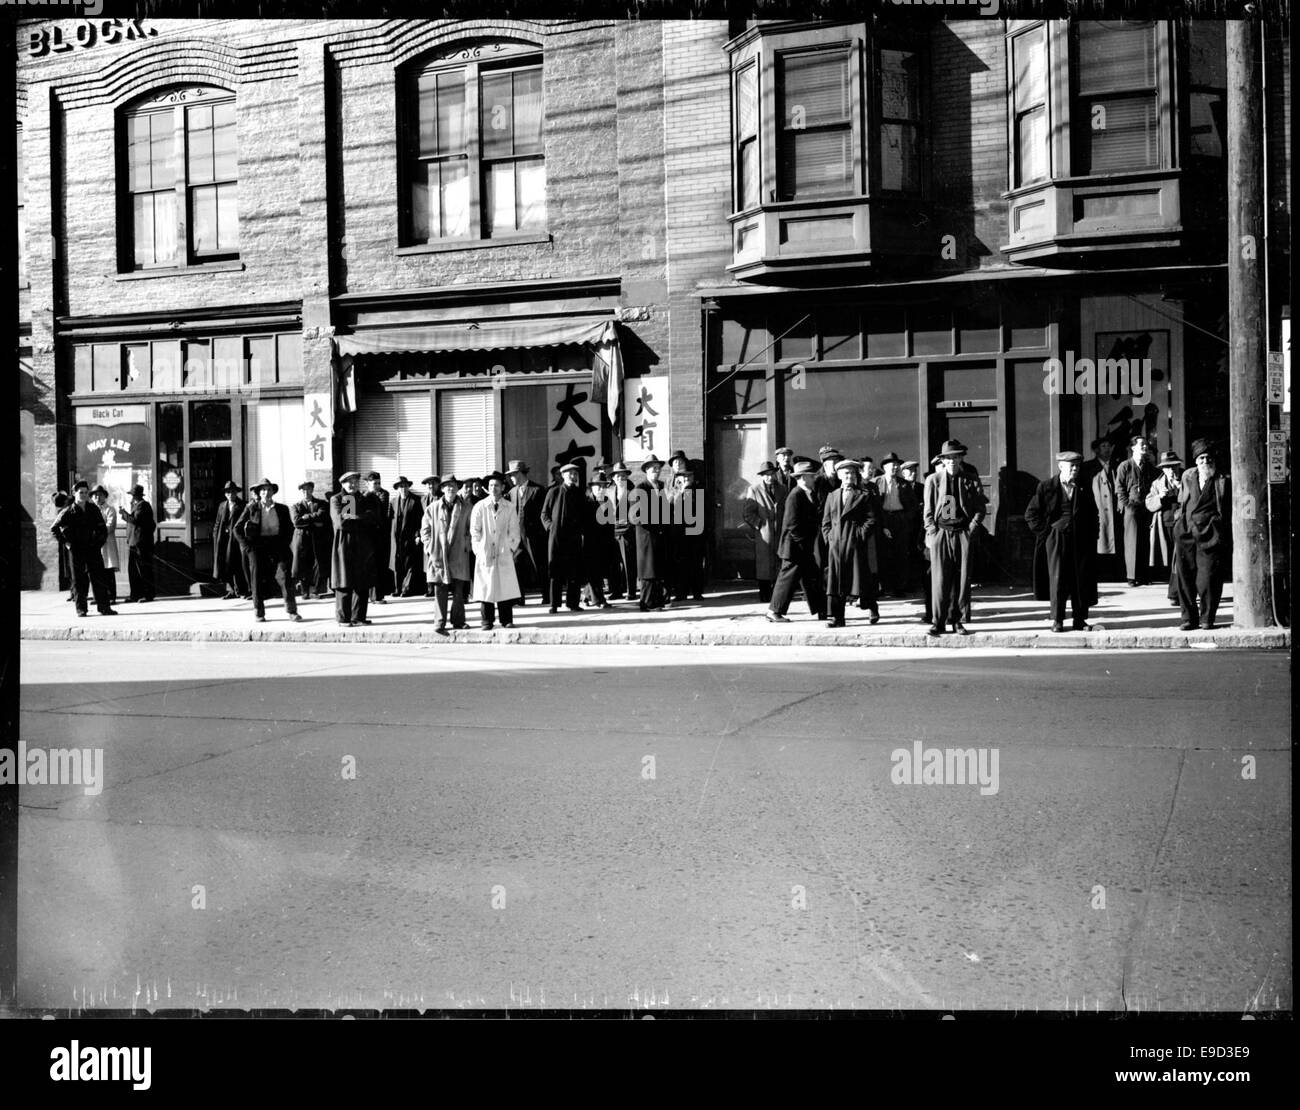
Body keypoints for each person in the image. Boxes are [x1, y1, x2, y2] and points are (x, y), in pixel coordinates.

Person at [1025, 451, 1099, 632]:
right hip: (1057, 540)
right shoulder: (1046, 487)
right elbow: (1031, 514)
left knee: (1080, 580)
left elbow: (1093, 514)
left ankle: (1079, 620)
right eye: (1071, 466)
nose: (1075, 469)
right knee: (1058, 579)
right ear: (1060, 466)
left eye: (1077, 466)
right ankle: (1057, 620)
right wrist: (1047, 534)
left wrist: (1092, 536)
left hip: (1080, 541)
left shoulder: (1083, 486)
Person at [923, 440, 987, 636]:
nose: (952, 461)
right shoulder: (933, 480)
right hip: (941, 533)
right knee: (940, 580)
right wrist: (933, 533)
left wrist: (970, 529)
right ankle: (938, 622)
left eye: (955, 457)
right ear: (943, 460)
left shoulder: (970, 479)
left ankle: (957, 620)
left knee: (961, 580)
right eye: (948, 458)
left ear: (961, 459)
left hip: (962, 534)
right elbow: (928, 511)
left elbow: (980, 509)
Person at [1173, 439, 1231, 631]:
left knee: (1208, 579)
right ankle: (1188, 618)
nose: (1205, 462)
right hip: (1186, 533)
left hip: (1210, 534)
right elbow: (1182, 501)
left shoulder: (1223, 479)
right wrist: (1178, 523)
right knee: (1185, 578)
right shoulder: (1188, 476)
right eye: (1201, 458)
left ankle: (1207, 618)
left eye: (1208, 458)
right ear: (1196, 461)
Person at [234, 479, 303, 623]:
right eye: (263, 490)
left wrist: (284, 543)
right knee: (257, 578)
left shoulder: (282, 509)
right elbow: (237, 528)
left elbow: (290, 528)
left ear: (273, 492)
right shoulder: (252, 508)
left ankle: (292, 611)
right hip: (258, 546)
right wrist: (248, 547)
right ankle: (259, 611)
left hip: (278, 545)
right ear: (259, 493)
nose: (266, 492)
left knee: (285, 576)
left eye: (269, 489)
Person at [766, 461, 826, 623]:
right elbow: (792, 524)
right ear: (803, 477)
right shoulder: (795, 495)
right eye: (811, 476)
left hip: (802, 546)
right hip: (793, 547)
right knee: (787, 579)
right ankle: (774, 611)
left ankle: (822, 610)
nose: (814, 478)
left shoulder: (809, 493)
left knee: (811, 577)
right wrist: (804, 544)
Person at [821, 458, 878, 628]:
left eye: (852, 473)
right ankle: (836, 617)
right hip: (836, 545)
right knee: (835, 581)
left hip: (854, 544)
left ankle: (872, 607)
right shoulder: (832, 496)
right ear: (839, 475)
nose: (849, 477)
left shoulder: (863, 496)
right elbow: (826, 521)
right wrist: (829, 537)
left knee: (860, 580)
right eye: (846, 473)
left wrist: (859, 535)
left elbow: (871, 520)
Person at [51, 480, 116, 617]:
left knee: (99, 578)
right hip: (77, 550)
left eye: (86, 493)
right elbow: (54, 528)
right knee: (79, 580)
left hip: (93, 548)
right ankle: (81, 609)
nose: (84, 495)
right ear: (74, 494)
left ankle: (104, 607)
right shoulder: (68, 511)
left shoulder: (93, 509)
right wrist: (67, 543)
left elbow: (102, 529)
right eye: (81, 492)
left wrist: (98, 543)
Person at [469, 471, 522, 630]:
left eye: (497, 485)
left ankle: (506, 620)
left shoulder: (509, 507)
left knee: (504, 587)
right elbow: (475, 531)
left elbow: (514, 530)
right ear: (487, 488)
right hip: (485, 552)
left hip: (504, 551)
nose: (494, 488)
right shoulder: (480, 506)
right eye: (491, 485)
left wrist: (510, 548)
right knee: (487, 587)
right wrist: (479, 550)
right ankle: (487, 621)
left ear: (503, 487)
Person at [422, 475, 472, 633]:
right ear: (442, 489)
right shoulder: (433, 508)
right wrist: (430, 547)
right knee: (440, 590)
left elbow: (473, 529)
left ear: (458, 488)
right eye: (447, 486)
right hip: (439, 553)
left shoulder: (466, 507)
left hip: (459, 553)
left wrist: (467, 543)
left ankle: (458, 621)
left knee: (459, 590)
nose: (450, 488)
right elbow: (425, 530)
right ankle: (439, 622)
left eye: (453, 486)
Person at [330, 471, 378, 627]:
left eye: (355, 482)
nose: (353, 485)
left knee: (362, 582)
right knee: (344, 581)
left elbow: (373, 518)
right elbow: (341, 523)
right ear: (342, 484)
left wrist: (356, 518)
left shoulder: (364, 499)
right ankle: (343, 618)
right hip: (344, 545)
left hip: (362, 544)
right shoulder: (337, 499)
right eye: (349, 482)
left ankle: (359, 616)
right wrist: (360, 518)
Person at [541, 462, 589, 613]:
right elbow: (544, 514)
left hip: (573, 538)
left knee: (573, 571)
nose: (573, 476)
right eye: (570, 474)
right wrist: (551, 527)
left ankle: (572, 603)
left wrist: (581, 531)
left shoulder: (580, 493)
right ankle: (554, 604)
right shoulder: (553, 492)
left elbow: (584, 515)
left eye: (575, 474)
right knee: (555, 571)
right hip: (556, 538)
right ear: (562, 475)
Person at [1116, 435, 1159, 586]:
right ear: (1133, 448)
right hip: (1131, 508)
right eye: (1142, 445)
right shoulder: (1125, 466)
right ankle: (1132, 576)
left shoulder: (1150, 467)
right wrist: (1127, 505)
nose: (1145, 447)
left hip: (1147, 508)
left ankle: (1144, 575)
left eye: (1146, 445)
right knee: (1132, 541)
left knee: (1146, 541)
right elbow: (1119, 488)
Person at [875, 453, 918, 597]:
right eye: (890, 464)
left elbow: (913, 505)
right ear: (884, 467)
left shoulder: (904, 483)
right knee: (883, 554)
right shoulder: (876, 482)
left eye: (896, 465)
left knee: (901, 553)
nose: (894, 467)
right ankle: (884, 586)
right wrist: (880, 523)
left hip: (900, 519)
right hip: (883, 519)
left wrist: (906, 518)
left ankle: (899, 587)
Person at [1144, 450, 1184, 606]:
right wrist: (1159, 497)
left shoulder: (1186, 479)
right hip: (1165, 525)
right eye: (1167, 467)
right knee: (1170, 559)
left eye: (1174, 466)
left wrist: (1181, 488)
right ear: (1162, 469)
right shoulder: (1157, 483)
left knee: (1179, 558)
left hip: (1182, 524)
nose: (1171, 470)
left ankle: (1175, 593)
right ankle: (1176, 591)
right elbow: (1149, 504)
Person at [506, 460, 548, 605]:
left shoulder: (538, 490)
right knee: (517, 565)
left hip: (535, 535)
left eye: (512, 475)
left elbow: (544, 512)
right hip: (517, 536)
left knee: (539, 564)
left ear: (519, 474)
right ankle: (519, 598)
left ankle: (546, 595)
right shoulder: (512, 492)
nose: (511, 478)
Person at [742, 461, 782, 604]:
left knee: (779, 564)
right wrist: (760, 525)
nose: (769, 478)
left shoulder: (782, 489)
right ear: (762, 476)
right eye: (766, 475)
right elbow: (748, 513)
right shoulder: (754, 489)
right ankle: (764, 595)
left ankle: (777, 598)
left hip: (780, 533)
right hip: (764, 535)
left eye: (772, 474)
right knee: (764, 565)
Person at [633, 454, 670, 611]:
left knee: (659, 568)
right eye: (653, 468)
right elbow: (635, 515)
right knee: (648, 570)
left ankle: (658, 601)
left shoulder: (662, 487)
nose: (656, 470)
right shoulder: (640, 489)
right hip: (647, 534)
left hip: (660, 533)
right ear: (646, 470)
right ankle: (647, 603)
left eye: (658, 468)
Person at [669, 469, 706, 602]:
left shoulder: (699, 490)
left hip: (696, 532)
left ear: (693, 476)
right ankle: (681, 592)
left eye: (688, 476)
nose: (686, 479)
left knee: (696, 563)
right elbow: (671, 506)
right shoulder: (674, 491)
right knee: (681, 563)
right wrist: (682, 490)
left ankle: (697, 592)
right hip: (679, 533)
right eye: (683, 476)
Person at [581, 470, 617, 607]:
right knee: (593, 571)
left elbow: (610, 523)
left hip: (604, 542)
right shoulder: (587, 502)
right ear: (592, 487)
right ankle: (599, 600)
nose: (601, 489)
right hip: (590, 542)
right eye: (598, 486)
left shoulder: (607, 502)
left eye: (604, 486)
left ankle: (586, 594)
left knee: (600, 571)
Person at [290, 481, 331, 600]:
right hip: (302, 539)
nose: (305, 492)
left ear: (312, 490)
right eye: (303, 490)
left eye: (308, 489)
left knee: (317, 563)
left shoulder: (321, 504)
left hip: (317, 539)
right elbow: (297, 521)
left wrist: (306, 518)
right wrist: (314, 520)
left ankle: (315, 590)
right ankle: (304, 590)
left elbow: (323, 516)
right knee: (303, 563)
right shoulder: (296, 506)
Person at [1090, 438, 1123, 581]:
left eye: (1109, 445)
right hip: (1097, 512)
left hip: (1116, 512)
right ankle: (1101, 574)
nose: (1107, 449)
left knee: (1115, 541)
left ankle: (1116, 574)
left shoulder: (1118, 466)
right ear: (1096, 450)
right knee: (1100, 541)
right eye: (1103, 446)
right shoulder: (1088, 467)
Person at [389, 476, 425, 597]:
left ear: (408, 487)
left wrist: (418, 535)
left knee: (410, 563)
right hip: (397, 538)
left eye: (405, 486)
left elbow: (420, 520)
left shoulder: (416, 500)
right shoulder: (393, 501)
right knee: (397, 563)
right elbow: (391, 519)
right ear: (397, 489)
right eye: (400, 486)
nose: (403, 488)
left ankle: (406, 589)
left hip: (410, 537)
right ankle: (397, 588)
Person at [119, 484, 156, 603]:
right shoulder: (137, 505)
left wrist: (124, 513)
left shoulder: (143, 506)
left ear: (136, 496)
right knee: (133, 570)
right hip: (134, 542)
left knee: (143, 569)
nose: (131, 498)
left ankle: (147, 594)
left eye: (132, 496)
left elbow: (135, 520)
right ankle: (135, 594)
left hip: (141, 543)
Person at [214, 481, 250, 599]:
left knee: (238, 564)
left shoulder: (243, 505)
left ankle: (241, 590)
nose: (230, 494)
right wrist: (216, 535)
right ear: (225, 494)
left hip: (236, 539)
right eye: (228, 492)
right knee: (225, 564)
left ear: (236, 493)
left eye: (233, 492)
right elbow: (218, 522)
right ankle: (231, 590)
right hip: (223, 539)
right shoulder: (222, 505)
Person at [609, 463, 638, 604]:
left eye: (623, 476)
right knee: (614, 563)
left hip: (627, 531)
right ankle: (616, 590)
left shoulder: (634, 491)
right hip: (612, 531)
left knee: (628, 563)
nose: (621, 478)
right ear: (613, 478)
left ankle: (631, 591)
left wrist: (628, 525)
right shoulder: (610, 491)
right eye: (618, 476)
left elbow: (637, 513)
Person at [363, 472, 392, 604]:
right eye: (375, 483)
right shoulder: (353, 497)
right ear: (367, 484)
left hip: (379, 534)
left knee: (379, 565)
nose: (378, 486)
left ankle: (377, 595)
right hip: (366, 535)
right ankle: (368, 595)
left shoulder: (383, 494)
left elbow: (380, 510)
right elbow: (350, 517)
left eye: (379, 483)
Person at [91, 485, 120, 604]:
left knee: (108, 570)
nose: (98, 497)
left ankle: (111, 596)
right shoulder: (90, 510)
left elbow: (110, 526)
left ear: (105, 497)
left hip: (107, 542)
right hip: (94, 544)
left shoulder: (110, 509)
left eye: (100, 495)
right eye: (95, 495)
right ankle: (98, 597)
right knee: (96, 571)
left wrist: (97, 532)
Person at [52, 490, 74, 600]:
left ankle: (75, 592)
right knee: (69, 568)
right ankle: (73, 592)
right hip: (66, 542)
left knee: (72, 568)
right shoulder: (62, 510)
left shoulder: (70, 508)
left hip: (70, 541)